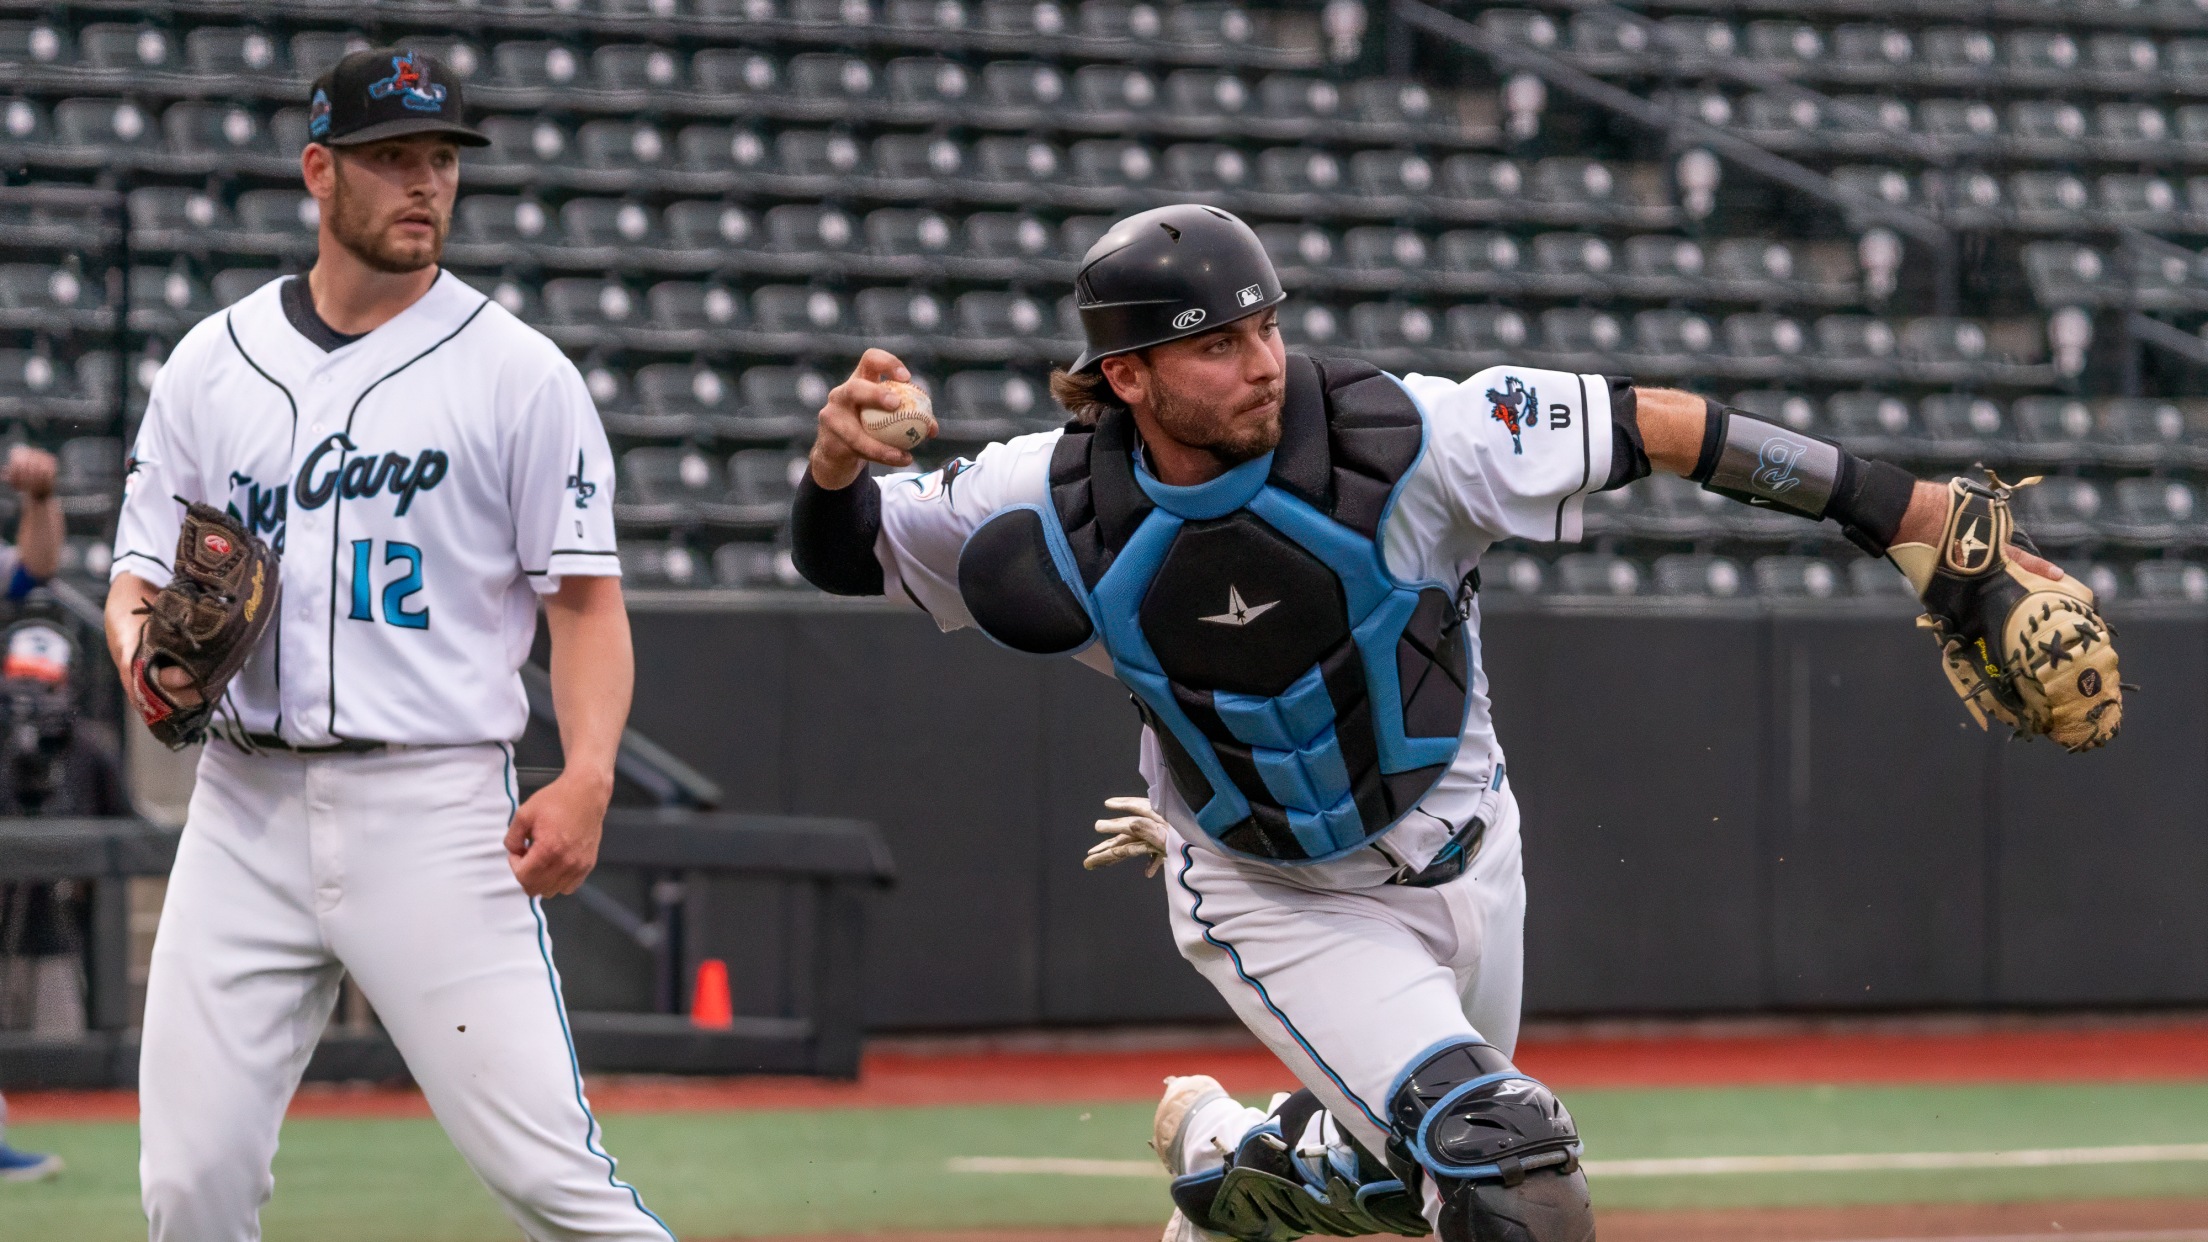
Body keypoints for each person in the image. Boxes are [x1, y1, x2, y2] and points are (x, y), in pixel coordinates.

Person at [791, 204, 2100, 1242]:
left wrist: (1913, 513)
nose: (1258, 360)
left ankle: (1226, 1166)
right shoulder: (1042, 505)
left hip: (1472, 851)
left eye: (1264, 326)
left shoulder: (1406, 432)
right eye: (1213, 343)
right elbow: (845, 555)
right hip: (1273, 894)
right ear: (1125, 372)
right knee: (1505, 1163)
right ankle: (1269, 1163)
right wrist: (837, 460)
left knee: (1400, 1178)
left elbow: (1658, 427)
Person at [103, 48, 662, 1240]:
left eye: (442, 159)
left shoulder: (519, 374)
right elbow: (136, 575)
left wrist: (590, 775)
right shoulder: (214, 361)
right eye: (392, 159)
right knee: (186, 1190)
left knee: (553, 1182)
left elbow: (585, 605)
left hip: (434, 811)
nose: (425, 184)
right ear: (320, 172)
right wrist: (137, 656)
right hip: (242, 808)